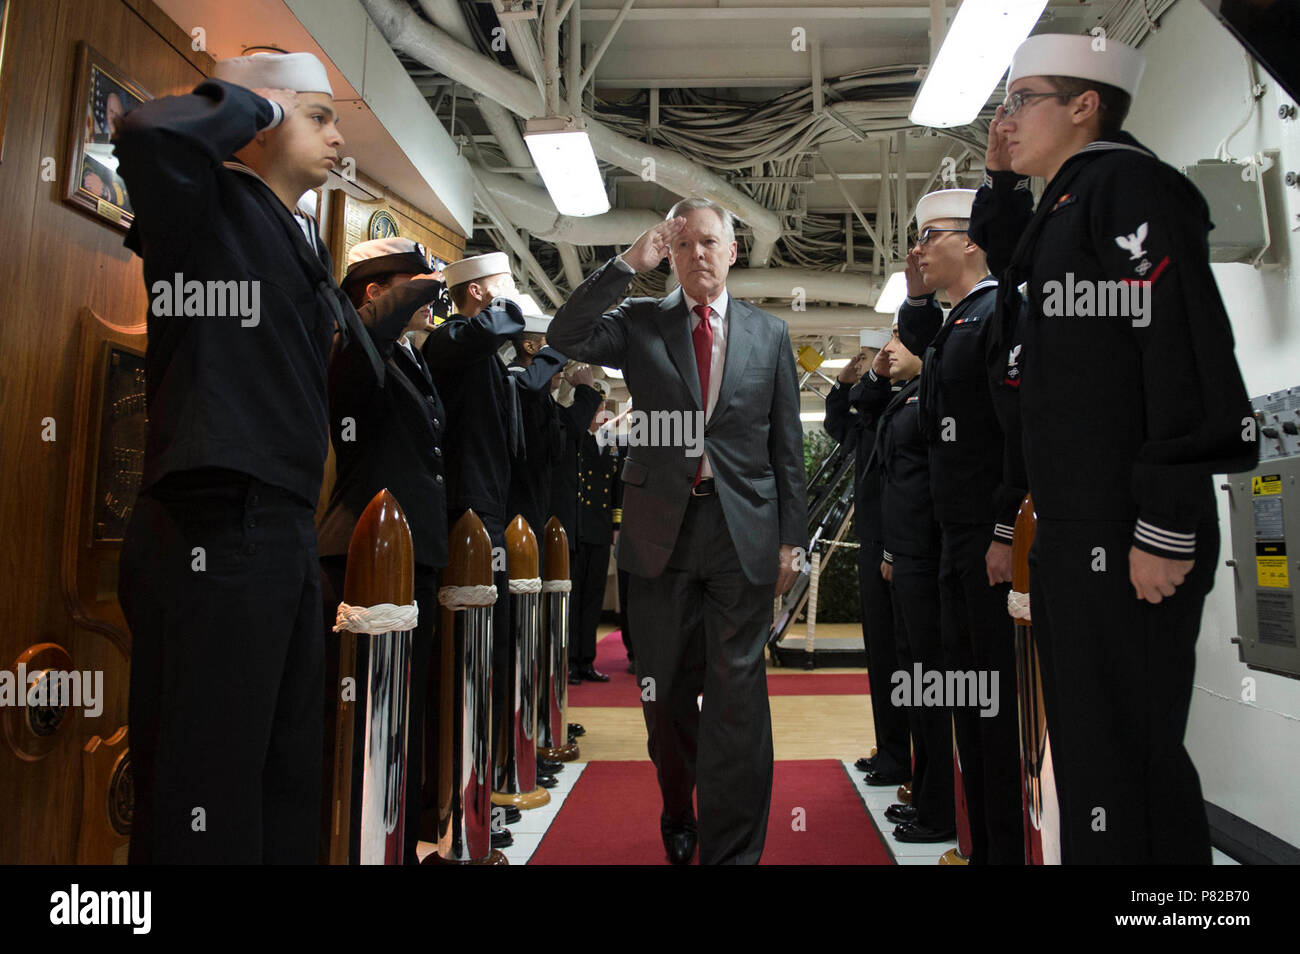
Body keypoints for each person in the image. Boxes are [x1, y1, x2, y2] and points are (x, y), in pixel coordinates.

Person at [972, 34, 1256, 863]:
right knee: (1094, 758)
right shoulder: (1069, 203)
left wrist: (1165, 519)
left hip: (1125, 525)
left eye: (1023, 100)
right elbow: (1012, 258)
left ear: (1085, 104)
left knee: (1128, 757)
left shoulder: (1129, 186)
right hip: (1075, 526)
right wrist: (997, 180)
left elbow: (1181, 342)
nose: (1006, 118)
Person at [114, 52, 374, 863]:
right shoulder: (207, 204)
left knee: (286, 775)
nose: (338, 137)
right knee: (206, 791)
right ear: (262, 117)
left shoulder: (291, 234)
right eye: (319, 115)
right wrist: (257, 106)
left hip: (279, 528)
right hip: (215, 523)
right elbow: (149, 131)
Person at [548, 197, 809, 865]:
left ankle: (734, 850)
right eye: (683, 243)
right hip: (659, 534)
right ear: (671, 251)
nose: (698, 254)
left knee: (738, 697)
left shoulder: (769, 335)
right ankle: (677, 805)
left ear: (732, 251)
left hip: (741, 534)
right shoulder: (640, 321)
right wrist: (629, 264)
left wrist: (791, 540)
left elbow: (785, 450)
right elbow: (565, 335)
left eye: (709, 242)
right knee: (664, 695)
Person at [317, 237, 449, 864]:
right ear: (377, 293)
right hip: (363, 553)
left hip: (411, 551)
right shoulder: (352, 345)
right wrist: (428, 280)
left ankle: (393, 849)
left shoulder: (406, 356)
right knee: (367, 717)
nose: (431, 295)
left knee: (404, 710)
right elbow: (355, 354)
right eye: (413, 285)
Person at [905, 189, 1024, 864]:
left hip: (986, 533)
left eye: (932, 236)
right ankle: (982, 839)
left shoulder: (999, 310)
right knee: (967, 693)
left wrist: (1006, 528)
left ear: (973, 241)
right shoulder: (959, 320)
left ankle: (1003, 844)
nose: (918, 249)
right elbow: (921, 341)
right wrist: (920, 293)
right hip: (957, 534)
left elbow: (1015, 429)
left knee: (994, 702)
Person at [868, 315, 955, 844]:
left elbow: (930, 484)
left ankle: (942, 807)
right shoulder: (908, 395)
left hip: (926, 552)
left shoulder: (934, 395)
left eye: (900, 338)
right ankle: (925, 795)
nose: (890, 347)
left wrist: (907, 551)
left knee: (930, 682)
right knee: (914, 682)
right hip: (906, 554)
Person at [823, 343, 912, 786]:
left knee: (903, 655)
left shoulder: (910, 408)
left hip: (902, 547)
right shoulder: (877, 418)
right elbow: (838, 422)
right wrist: (843, 384)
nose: (890, 351)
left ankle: (908, 756)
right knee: (881, 655)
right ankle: (892, 749)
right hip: (875, 544)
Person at [568, 399, 623, 683]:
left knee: (593, 597)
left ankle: (587, 661)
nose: (601, 415)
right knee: (575, 597)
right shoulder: (578, 440)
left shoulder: (610, 445)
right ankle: (571, 662)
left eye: (603, 409)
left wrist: (616, 525)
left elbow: (616, 488)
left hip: (600, 529)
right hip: (580, 527)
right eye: (597, 409)